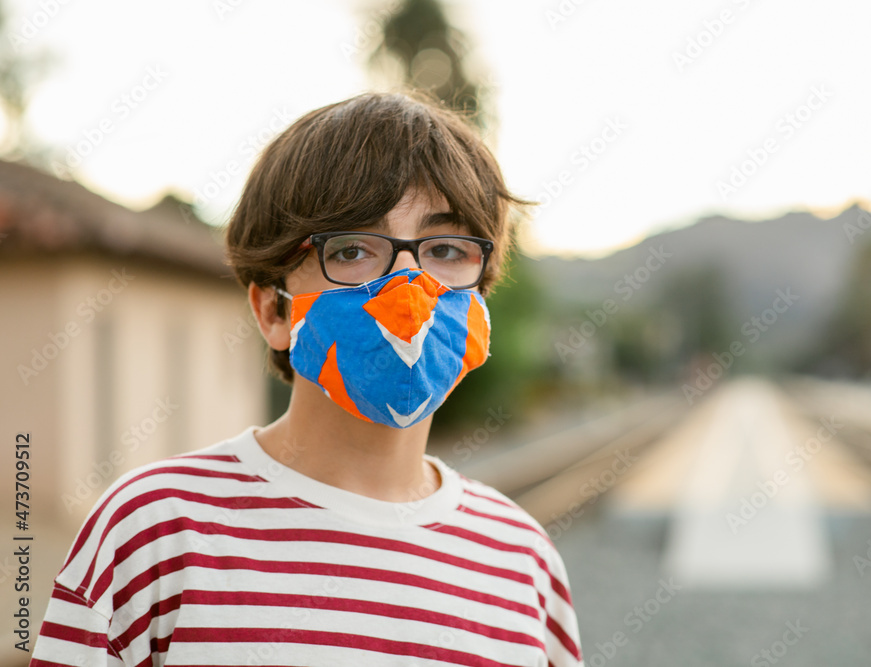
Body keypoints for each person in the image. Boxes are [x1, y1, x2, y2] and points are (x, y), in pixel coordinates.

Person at [30, 92, 584, 667]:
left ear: (481, 301)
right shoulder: (153, 534)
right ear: (274, 311)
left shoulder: (525, 565)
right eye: (351, 250)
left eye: (444, 247)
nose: (410, 289)